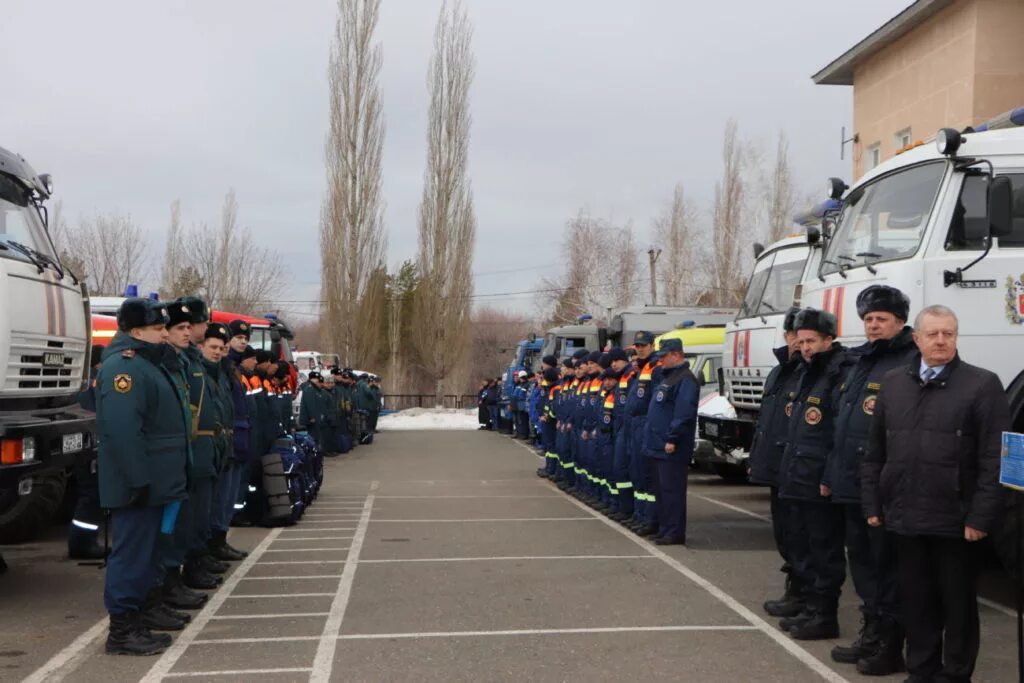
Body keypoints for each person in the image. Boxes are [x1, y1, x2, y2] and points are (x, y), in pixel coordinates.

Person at [862, 305, 1008, 682]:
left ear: (956, 337)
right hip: (906, 516)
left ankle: (956, 674)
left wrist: (980, 516)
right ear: (917, 339)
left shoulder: (982, 384)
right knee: (917, 603)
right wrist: (873, 502)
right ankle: (922, 670)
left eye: (949, 333)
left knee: (958, 606)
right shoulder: (894, 384)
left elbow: (995, 458)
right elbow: (876, 450)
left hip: (956, 521)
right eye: (933, 334)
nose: (941, 340)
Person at [822, 286, 916, 675]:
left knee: (886, 567)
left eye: (882, 319)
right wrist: (831, 474)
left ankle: (891, 644)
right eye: (869, 319)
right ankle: (871, 631)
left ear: (900, 322)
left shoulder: (909, 360)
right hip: (850, 480)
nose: (874, 325)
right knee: (861, 562)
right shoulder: (859, 362)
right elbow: (841, 425)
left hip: (884, 485)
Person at [96, 298, 188, 656]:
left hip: (155, 480)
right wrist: (137, 479)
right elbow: (122, 430)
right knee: (131, 554)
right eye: (158, 328)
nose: (165, 333)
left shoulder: (150, 364)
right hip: (138, 482)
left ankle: (138, 616)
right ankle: (121, 630)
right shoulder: (127, 368)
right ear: (136, 332)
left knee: (146, 552)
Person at [777, 308, 849, 641]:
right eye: (801, 341)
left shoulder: (838, 372)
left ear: (828, 340)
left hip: (819, 480)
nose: (805, 347)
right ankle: (810, 608)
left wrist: (829, 477)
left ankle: (824, 616)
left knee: (825, 550)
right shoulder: (808, 372)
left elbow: (838, 432)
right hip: (799, 476)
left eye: (812, 341)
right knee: (805, 545)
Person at [749, 308, 810, 619]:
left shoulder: (808, 372)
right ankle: (794, 589)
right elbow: (767, 421)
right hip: (775, 467)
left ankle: (805, 597)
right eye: (794, 335)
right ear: (787, 336)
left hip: (797, 469)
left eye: (805, 337)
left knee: (802, 537)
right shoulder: (778, 371)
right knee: (784, 534)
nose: (799, 342)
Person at [643, 338, 698, 545]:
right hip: (657, 444)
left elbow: (683, 413)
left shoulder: (685, 379)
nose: (661, 361)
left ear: (676, 355)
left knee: (672, 491)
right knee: (661, 490)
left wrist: (673, 437)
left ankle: (674, 532)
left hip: (671, 446)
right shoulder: (669, 377)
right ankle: (665, 528)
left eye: (664, 356)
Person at [69, 343, 106, 560]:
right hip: (91, 445)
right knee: (90, 495)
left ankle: (86, 541)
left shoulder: (88, 379)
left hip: (89, 443)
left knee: (91, 495)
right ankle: (82, 543)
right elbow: (92, 414)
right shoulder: (93, 381)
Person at [625, 332, 661, 536]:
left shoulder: (655, 366)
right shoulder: (641, 367)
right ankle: (640, 516)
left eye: (643, 345)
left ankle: (651, 519)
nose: (639, 349)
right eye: (637, 345)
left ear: (652, 346)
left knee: (647, 476)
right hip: (635, 424)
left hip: (645, 423)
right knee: (637, 473)